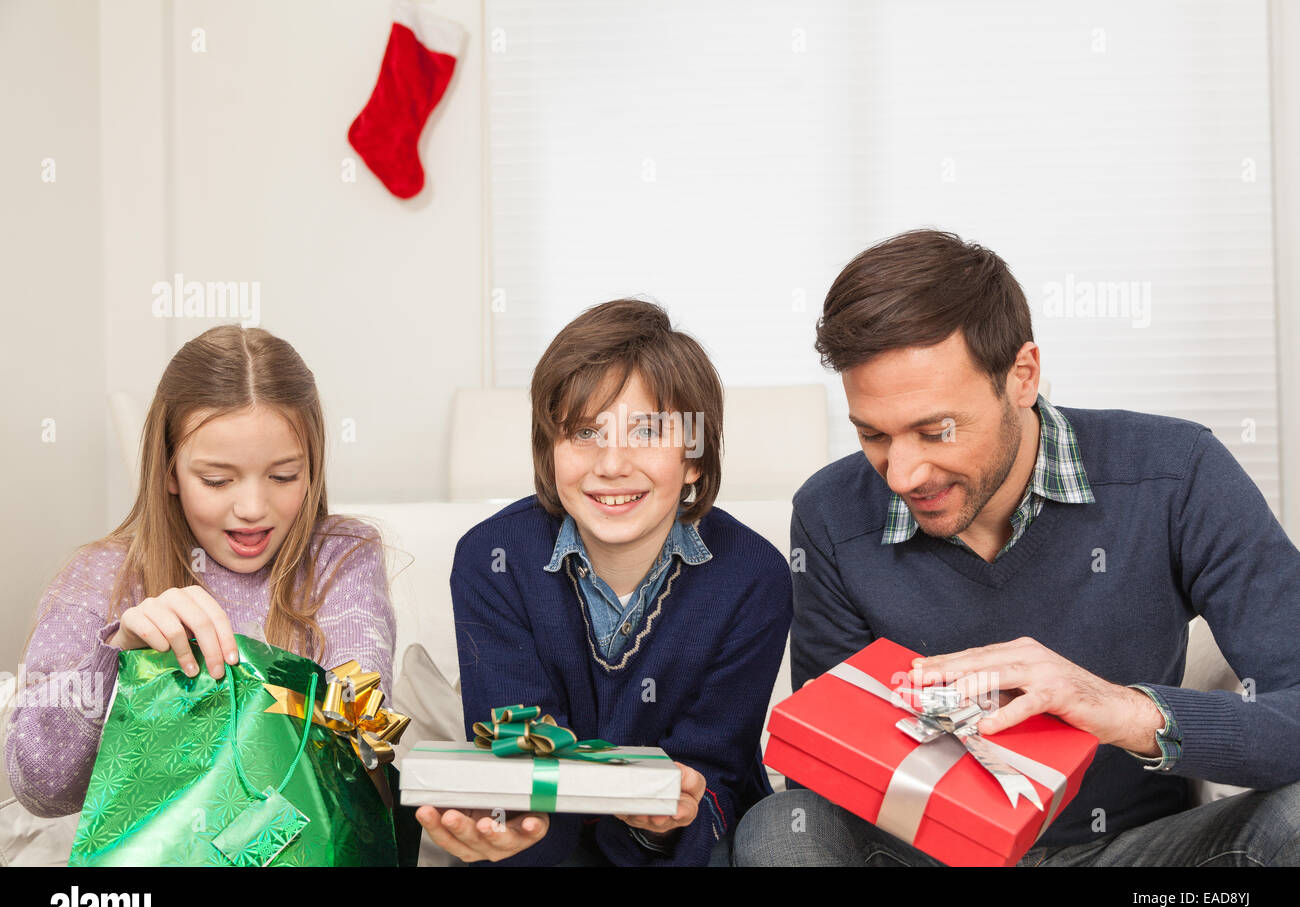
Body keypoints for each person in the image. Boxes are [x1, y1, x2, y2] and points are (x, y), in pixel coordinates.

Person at [735, 229, 1300, 866]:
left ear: (1022, 376)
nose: (902, 474)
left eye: (936, 431)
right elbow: (828, 769)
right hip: (928, 858)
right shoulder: (831, 512)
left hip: (1133, 856)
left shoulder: (1176, 473)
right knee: (787, 824)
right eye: (874, 435)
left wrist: (1118, 709)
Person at [417, 299, 792, 866]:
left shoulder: (754, 577)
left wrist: (660, 825)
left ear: (694, 457)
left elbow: (714, 774)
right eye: (584, 432)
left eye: (646, 433)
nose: (612, 465)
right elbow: (520, 749)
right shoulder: (491, 558)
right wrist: (512, 827)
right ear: (549, 451)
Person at [4, 325, 396, 819]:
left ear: (314, 467)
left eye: (284, 476)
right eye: (217, 480)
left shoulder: (341, 556)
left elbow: (362, 744)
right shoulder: (98, 576)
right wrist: (120, 660)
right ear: (169, 470)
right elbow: (40, 787)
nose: (253, 507)